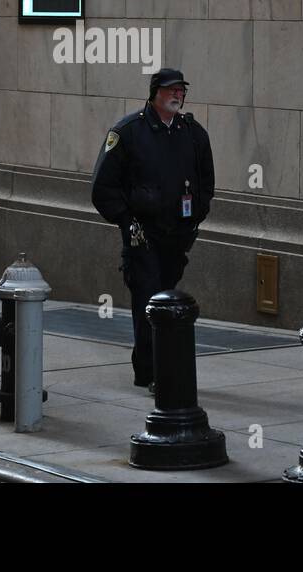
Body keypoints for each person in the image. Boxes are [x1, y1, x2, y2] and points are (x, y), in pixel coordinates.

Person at [90, 68, 215, 390]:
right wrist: (126, 220)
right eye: (170, 90)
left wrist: (196, 216)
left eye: (181, 90)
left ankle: (159, 367)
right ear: (154, 93)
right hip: (142, 235)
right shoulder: (129, 131)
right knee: (149, 301)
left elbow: (206, 182)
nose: (177, 95)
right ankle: (151, 371)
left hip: (178, 235)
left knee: (169, 301)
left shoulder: (192, 133)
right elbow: (103, 188)